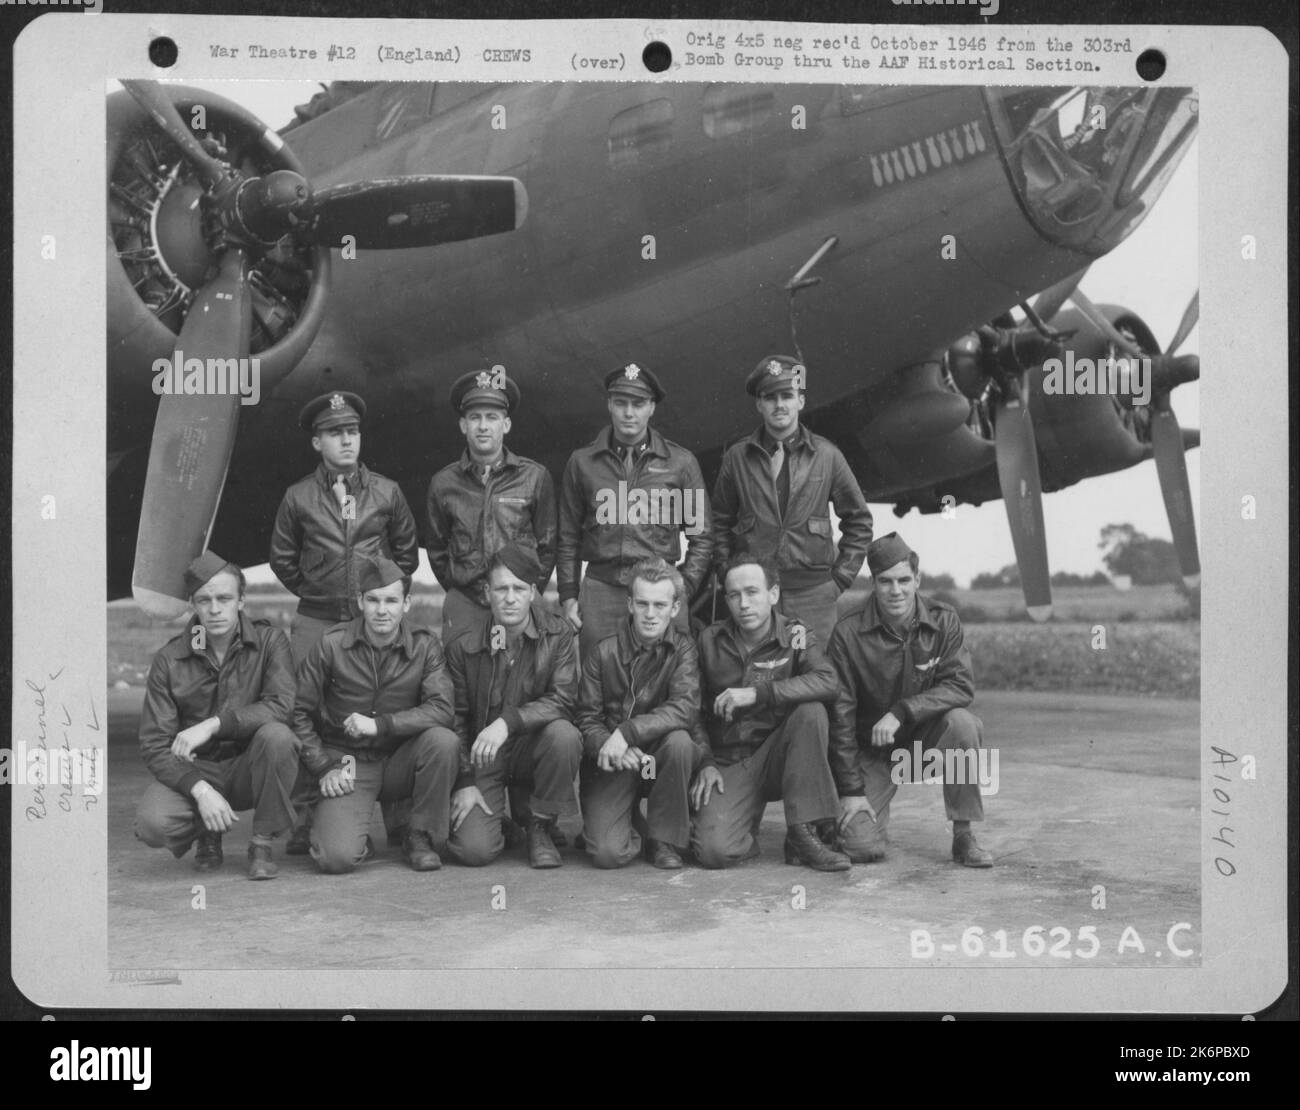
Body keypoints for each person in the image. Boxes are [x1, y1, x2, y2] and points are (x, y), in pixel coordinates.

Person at [268, 389, 420, 852]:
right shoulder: (298, 497)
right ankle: (305, 815)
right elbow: (282, 559)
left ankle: (398, 812)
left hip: (369, 621)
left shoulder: (387, 492)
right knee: (305, 709)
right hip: (316, 618)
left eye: (352, 432)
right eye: (335, 434)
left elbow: (406, 555)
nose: (346, 441)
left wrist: (373, 598)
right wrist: (318, 589)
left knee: (385, 701)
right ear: (317, 442)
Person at [292, 557, 478, 874]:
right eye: (373, 600)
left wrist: (381, 725)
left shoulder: (425, 646)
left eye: (391, 600)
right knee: (335, 858)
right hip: (348, 762)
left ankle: (419, 834)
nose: (382, 610)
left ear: (406, 603)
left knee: (442, 741)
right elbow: (298, 713)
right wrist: (323, 768)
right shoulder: (331, 645)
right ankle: (353, 834)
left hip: (400, 759)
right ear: (360, 602)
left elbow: (442, 709)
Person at [827, 533, 993, 869]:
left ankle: (963, 835)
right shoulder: (847, 633)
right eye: (885, 582)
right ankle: (858, 820)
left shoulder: (943, 620)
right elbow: (839, 716)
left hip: (918, 750)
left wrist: (902, 711)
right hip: (870, 753)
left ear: (917, 579)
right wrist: (851, 789)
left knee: (963, 724)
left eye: (904, 580)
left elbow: (960, 685)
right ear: (873, 583)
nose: (896, 590)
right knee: (861, 848)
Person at [134, 552, 299, 880]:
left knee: (278, 737)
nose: (214, 608)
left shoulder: (269, 642)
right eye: (204, 600)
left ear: (241, 601)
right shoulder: (170, 659)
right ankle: (206, 832)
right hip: (197, 767)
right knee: (153, 823)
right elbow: (154, 743)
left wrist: (215, 724)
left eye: (224, 598)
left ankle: (261, 842)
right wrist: (200, 789)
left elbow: (282, 705)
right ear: (193, 605)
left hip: (247, 765)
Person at [690, 553, 850, 871]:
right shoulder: (709, 640)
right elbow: (691, 710)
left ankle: (803, 832)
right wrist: (705, 761)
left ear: (773, 594)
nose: (744, 604)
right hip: (730, 760)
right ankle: (743, 824)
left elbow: (828, 681)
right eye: (734, 595)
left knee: (811, 710)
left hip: (782, 756)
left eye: (752, 592)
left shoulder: (796, 633)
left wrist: (759, 693)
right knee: (714, 853)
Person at [711, 355, 874, 646]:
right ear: (759, 404)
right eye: (770, 398)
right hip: (754, 593)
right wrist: (727, 573)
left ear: (800, 401)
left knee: (813, 678)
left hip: (813, 595)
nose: (779, 405)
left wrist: (839, 581)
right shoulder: (737, 458)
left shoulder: (827, 456)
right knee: (756, 678)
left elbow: (858, 520)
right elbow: (718, 522)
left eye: (787, 395)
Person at [557, 363, 714, 657]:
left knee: (665, 676)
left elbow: (701, 535)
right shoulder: (582, 463)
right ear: (609, 405)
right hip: (602, 589)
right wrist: (568, 595)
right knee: (598, 678)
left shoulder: (680, 463)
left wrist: (684, 588)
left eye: (639, 404)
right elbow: (567, 537)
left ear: (652, 408)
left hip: (659, 591)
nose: (629, 413)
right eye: (621, 403)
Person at [442, 544, 583, 868]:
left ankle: (539, 825)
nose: (509, 597)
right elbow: (456, 718)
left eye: (518, 588)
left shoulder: (558, 634)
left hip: (532, 749)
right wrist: (464, 781)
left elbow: (563, 700)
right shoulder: (462, 644)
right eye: (501, 588)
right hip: (484, 755)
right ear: (487, 592)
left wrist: (508, 722)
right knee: (473, 851)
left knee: (565, 736)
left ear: (533, 592)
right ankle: (504, 824)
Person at [575, 557, 707, 870]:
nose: (650, 614)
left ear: (675, 609)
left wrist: (628, 732)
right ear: (630, 604)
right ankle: (628, 819)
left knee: (680, 741)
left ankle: (663, 839)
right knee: (608, 854)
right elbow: (586, 719)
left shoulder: (684, 649)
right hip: (615, 761)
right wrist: (609, 742)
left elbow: (685, 706)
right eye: (643, 604)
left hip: (658, 758)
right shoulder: (602, 651)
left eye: (660, 605)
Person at [426, 368, 557, 645]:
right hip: (466, 604)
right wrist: (460, 586)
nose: (483, 426)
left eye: (492, 418)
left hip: (517, 603)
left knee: (520, 681)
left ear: (506, 425)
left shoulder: (534, 477)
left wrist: (526, 591)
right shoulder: (443, 483)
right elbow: (437, 548)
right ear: (463, 425)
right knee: (461, 683)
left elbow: (548, 543)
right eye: (475, 418)